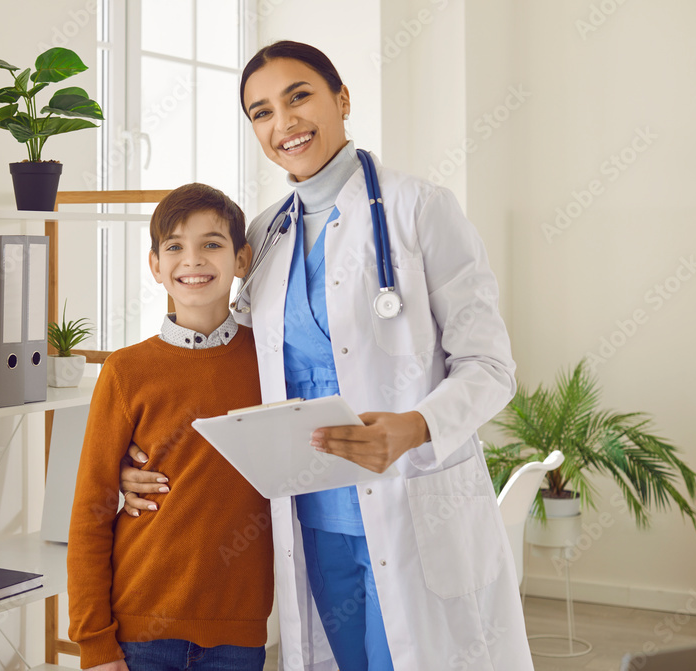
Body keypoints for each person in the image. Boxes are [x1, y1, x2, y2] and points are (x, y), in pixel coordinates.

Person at [119, 41, 535, 671]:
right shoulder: (262, 234)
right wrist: (141, 459)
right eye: (261, 112)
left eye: (299, 97)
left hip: (411, 497)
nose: (283, 123)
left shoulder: (419, 209)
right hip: (311, 516)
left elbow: (491, 366)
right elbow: (228, 362)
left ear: (341, 100)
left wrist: (416, 427)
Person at [67, 183, 274, 671]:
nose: (193, 260)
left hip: (238, 632)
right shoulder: (125, 371)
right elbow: (90, 513)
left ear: (241, 259)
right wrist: (94, 643)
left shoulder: (272, 362)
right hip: (139, 630)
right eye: (175, 246)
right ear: (156, 266)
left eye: (212, 244)